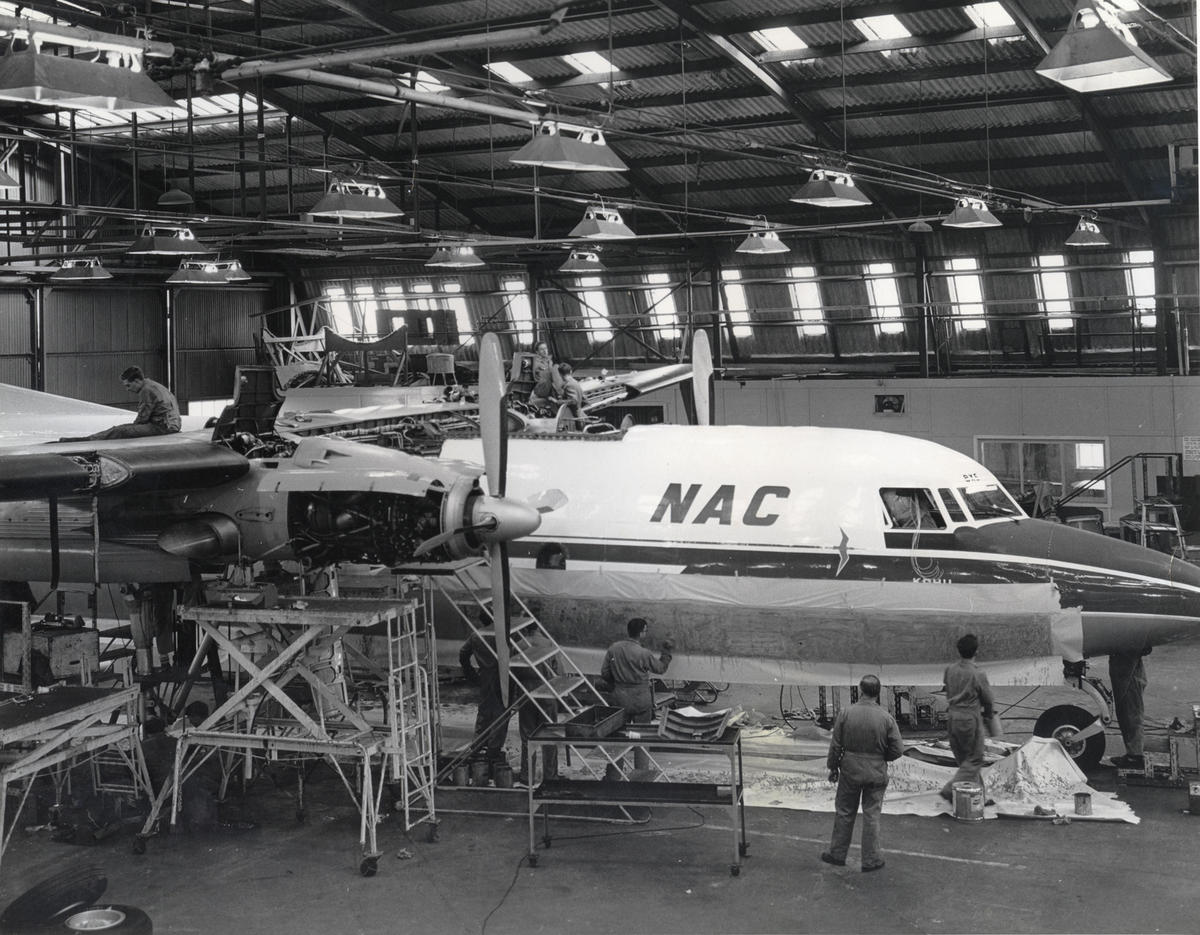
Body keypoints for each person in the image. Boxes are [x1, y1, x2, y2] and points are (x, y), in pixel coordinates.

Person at [821, 674, 904, 873]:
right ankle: (871, 859)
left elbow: (836, 745)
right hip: (876, 771)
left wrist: (833, 767)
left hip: (850, 770)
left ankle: (837, 854)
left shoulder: (846, 713)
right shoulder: (886, 717)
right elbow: (898, 749)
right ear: (878, 692)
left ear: (860, 689)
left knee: (844, 811)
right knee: (872, 815)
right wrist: (881, 758)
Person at [600, 617, 673, 778]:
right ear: (641, 633)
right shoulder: (643, 653)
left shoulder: (614, 648)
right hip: (641, 699)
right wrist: (666, 653)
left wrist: (618, 685)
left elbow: (604, 673)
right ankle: (641, 777)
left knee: (617, 738)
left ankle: (613, 776)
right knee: (641, 737)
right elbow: (660, 669)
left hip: (619, 699)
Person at [938, 633, 997, 801]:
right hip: (969, 718)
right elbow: (988, 699)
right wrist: (989, 715)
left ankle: (980, 797)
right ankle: (951, 789)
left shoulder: (950, 670)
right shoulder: (977, 674)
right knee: (975, 759)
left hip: (952, 717)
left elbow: (947, 689)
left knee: (965, 759)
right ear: (976, 651)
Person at [459, 611, 512, 769]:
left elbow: (463, 653)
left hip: (484, 676)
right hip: (501, 676)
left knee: (484, 712)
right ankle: (493, 751)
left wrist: (471, 674)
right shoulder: (501, 635)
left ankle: (477, 747)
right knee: (501, 713)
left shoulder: (476, 635)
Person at [87, 366, 181, 440]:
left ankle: (91, 439)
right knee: (122, 428)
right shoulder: (152, 385)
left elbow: (142, 418)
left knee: (120, 430)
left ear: (136, 381)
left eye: (128, 385)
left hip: (164, 427)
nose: (127, 389)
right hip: (171, 424)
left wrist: (130, 429)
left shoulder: (146, 390)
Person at [1108, 649, 1149, 769]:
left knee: (1129, 710)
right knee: (1130, 708)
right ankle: (1134, 754)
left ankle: (1135, 757)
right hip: (1127, 657)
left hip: (1126, 659)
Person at [527, 341, 563, 412]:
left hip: (550, 387)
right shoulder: (535, 363)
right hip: (541, 389)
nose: (545, 351)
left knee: (557, 368)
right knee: (555, 368)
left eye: (545, 348)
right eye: (541, 349)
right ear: (537, 352)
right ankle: (561, 394)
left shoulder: (549, 361)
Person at [556, 362, 585, 429]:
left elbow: (573, 401)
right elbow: (584, 399)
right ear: (571, 371)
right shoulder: (575, 382)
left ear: (560, 374)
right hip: (580, 415)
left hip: (573, 418)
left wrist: (558, 401)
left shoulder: (569, 385)